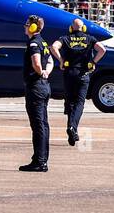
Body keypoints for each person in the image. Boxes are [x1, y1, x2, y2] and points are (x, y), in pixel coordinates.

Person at [52, 17, 106, 146]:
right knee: (79, 102)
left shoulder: (65, 38)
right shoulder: (89, 38)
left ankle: (72, 131)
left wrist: (61, 60)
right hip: (83, 74)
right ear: (83, 28)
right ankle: (73, 127)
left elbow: (54, 47)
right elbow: (102, 50)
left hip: (69, 73)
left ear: (71, 28)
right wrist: (93, 62)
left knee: (70, 102)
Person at [19, 15, 53, 172]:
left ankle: (40, 162)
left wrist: (40, 72)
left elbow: (36, 62)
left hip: (36, 87)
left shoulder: (33, 43)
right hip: (44, 87)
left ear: (33, 27)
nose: (25, 27)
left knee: (38, 125)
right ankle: (40, 158)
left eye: (27, 25)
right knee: (43, 124)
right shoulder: (43, 42)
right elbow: (50, 61)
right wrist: (46, 73)